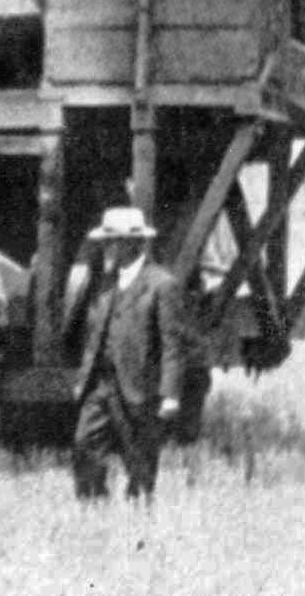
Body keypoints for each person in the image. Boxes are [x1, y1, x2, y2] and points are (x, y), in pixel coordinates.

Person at [63, 205, 187, 500]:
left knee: (140, 460)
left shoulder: (162, 285)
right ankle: (93, 511)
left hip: (140, 387)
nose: (106, 248)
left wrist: (170, 395)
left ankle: (138, 519)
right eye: (105, 241)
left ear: (135, 244)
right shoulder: (103, 283)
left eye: (113, 241)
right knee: (84, 445)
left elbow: (173, 344)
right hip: (100, 385)